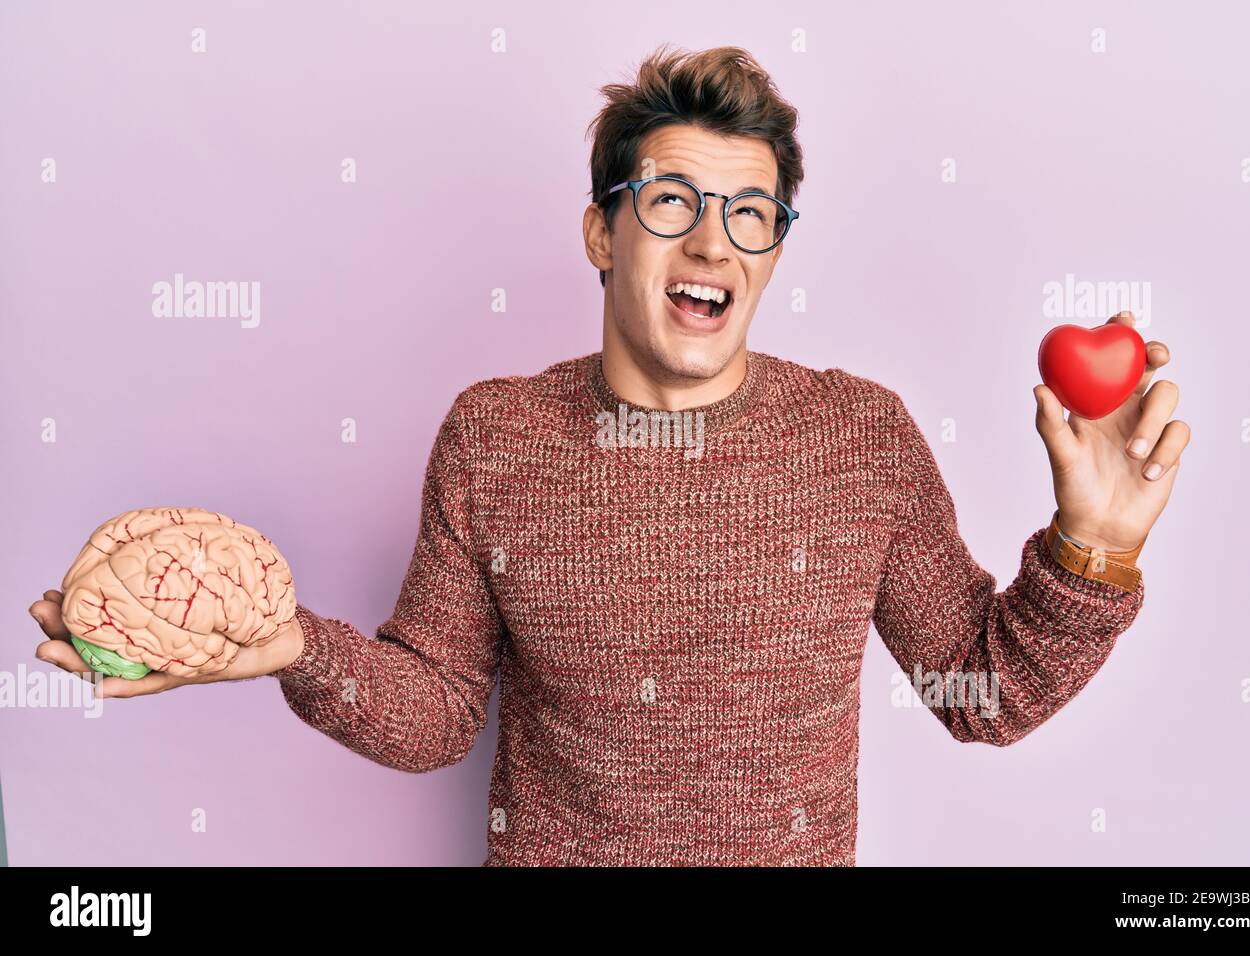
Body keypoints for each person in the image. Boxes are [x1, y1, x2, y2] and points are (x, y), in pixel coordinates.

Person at [31, 45, 1190, 866]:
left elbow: (973, 693)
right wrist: (288, 649)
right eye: (672, 199)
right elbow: (437, 709)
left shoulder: (858, 439)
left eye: (750, 214)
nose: (711, 240)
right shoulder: (494, 435)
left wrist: (1095, 548)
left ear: (775, 251)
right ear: (603, 229)